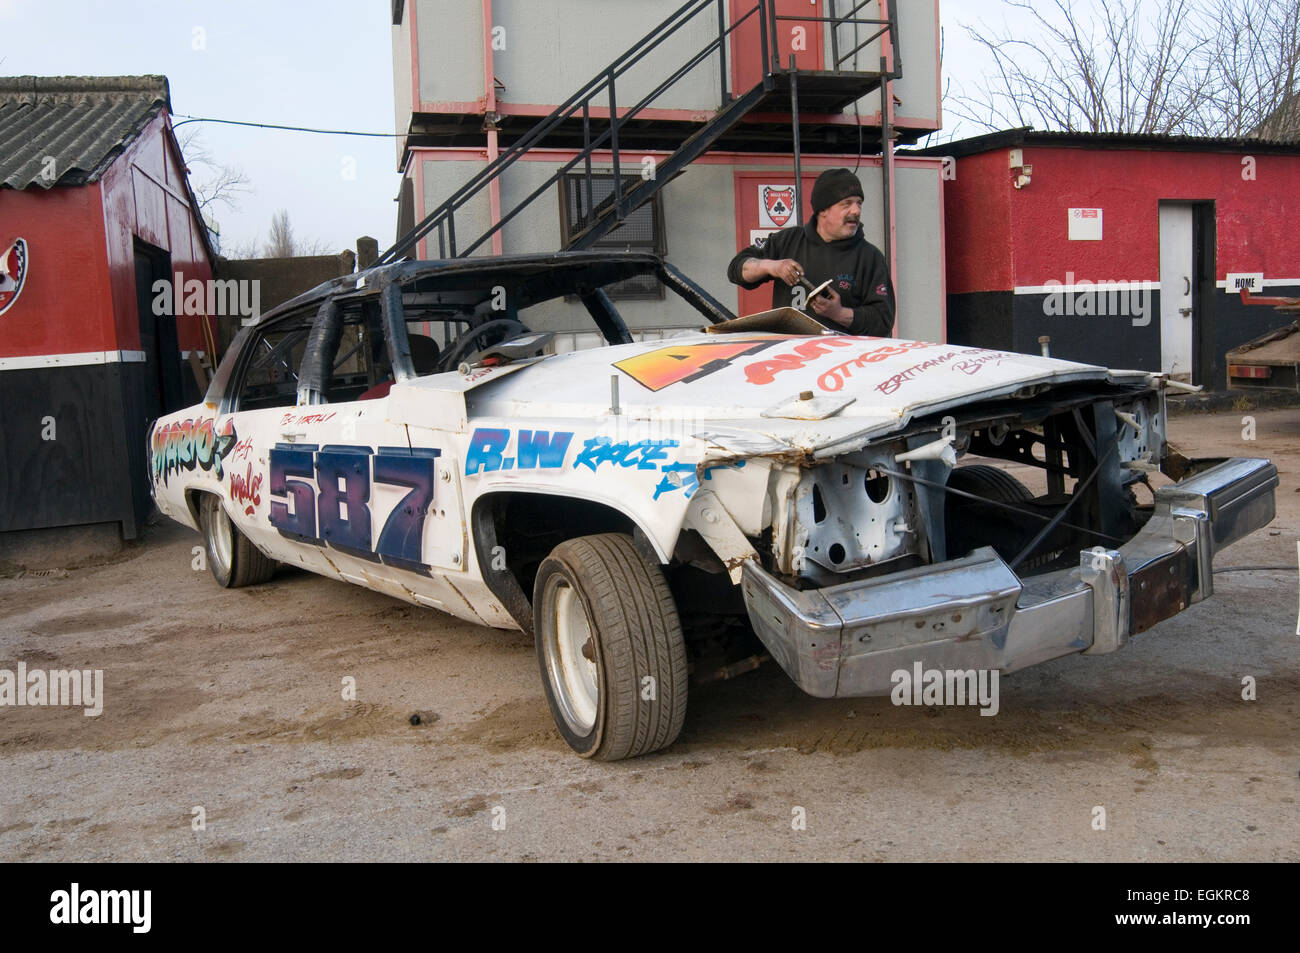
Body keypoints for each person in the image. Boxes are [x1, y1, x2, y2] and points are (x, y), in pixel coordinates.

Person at [726, 168, 895, 336]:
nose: (856, 211)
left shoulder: (870, 258)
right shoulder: (788, 240)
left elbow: (883, 321)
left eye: (859, 203)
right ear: (823, 210)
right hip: (791, 358)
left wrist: (839, 314)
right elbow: (736, 269)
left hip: (843, 360)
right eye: (847, 203)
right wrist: (772, 266)